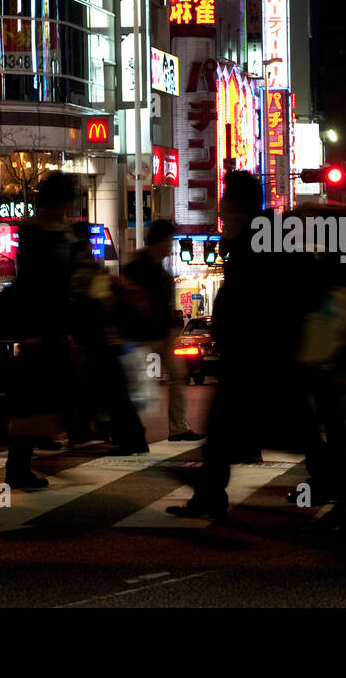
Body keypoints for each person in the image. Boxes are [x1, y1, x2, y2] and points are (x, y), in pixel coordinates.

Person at [167, 171, 287, 519]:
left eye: (226, 199)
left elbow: (257, 295)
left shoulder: (259, 238)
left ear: (237, 203)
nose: (221, 208)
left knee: (290, 425)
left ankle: (334, 484)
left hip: (254, 349)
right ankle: (210, 492)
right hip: (254, 349)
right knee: (229, 427)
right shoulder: (263, 235)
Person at [122, 219, 202, 442]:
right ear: (159, 241)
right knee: (134, 384)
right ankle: (125, 429)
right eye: (168, 241)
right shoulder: (140, 265)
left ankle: (178, 427)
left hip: (160, 334)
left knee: (176, 376)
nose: (171, 246)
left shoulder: (155, 266)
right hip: (140, 336)